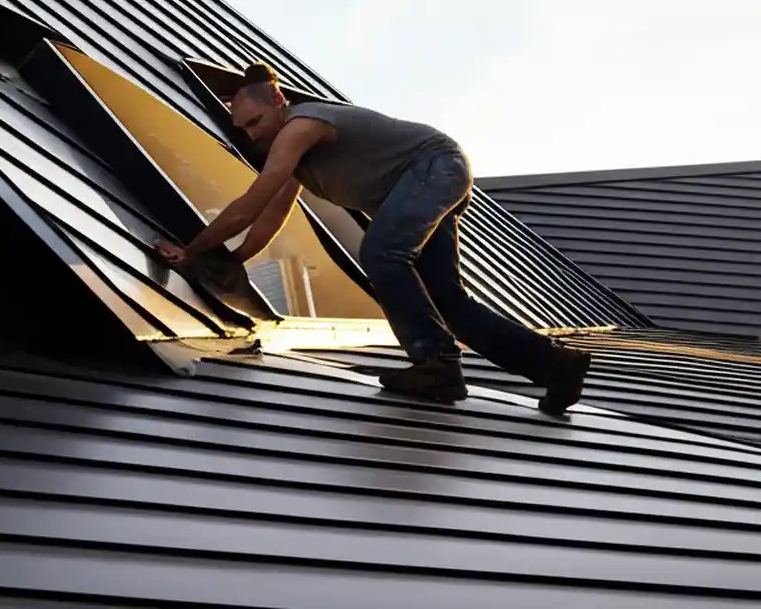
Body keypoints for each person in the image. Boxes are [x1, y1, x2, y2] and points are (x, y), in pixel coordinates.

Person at [155, 62, 589, 415]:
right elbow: (270, 216)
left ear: (278, 101)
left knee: (382, 252)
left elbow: (250, 203)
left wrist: (190, 251)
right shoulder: (296, 156)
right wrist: (235, 259)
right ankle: (556, 365)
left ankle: (437, 365)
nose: (252, 134)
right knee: (445, 303)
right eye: (244, 130)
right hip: (429, 181)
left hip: (433, 167)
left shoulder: (301, 126)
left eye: (256, 122)